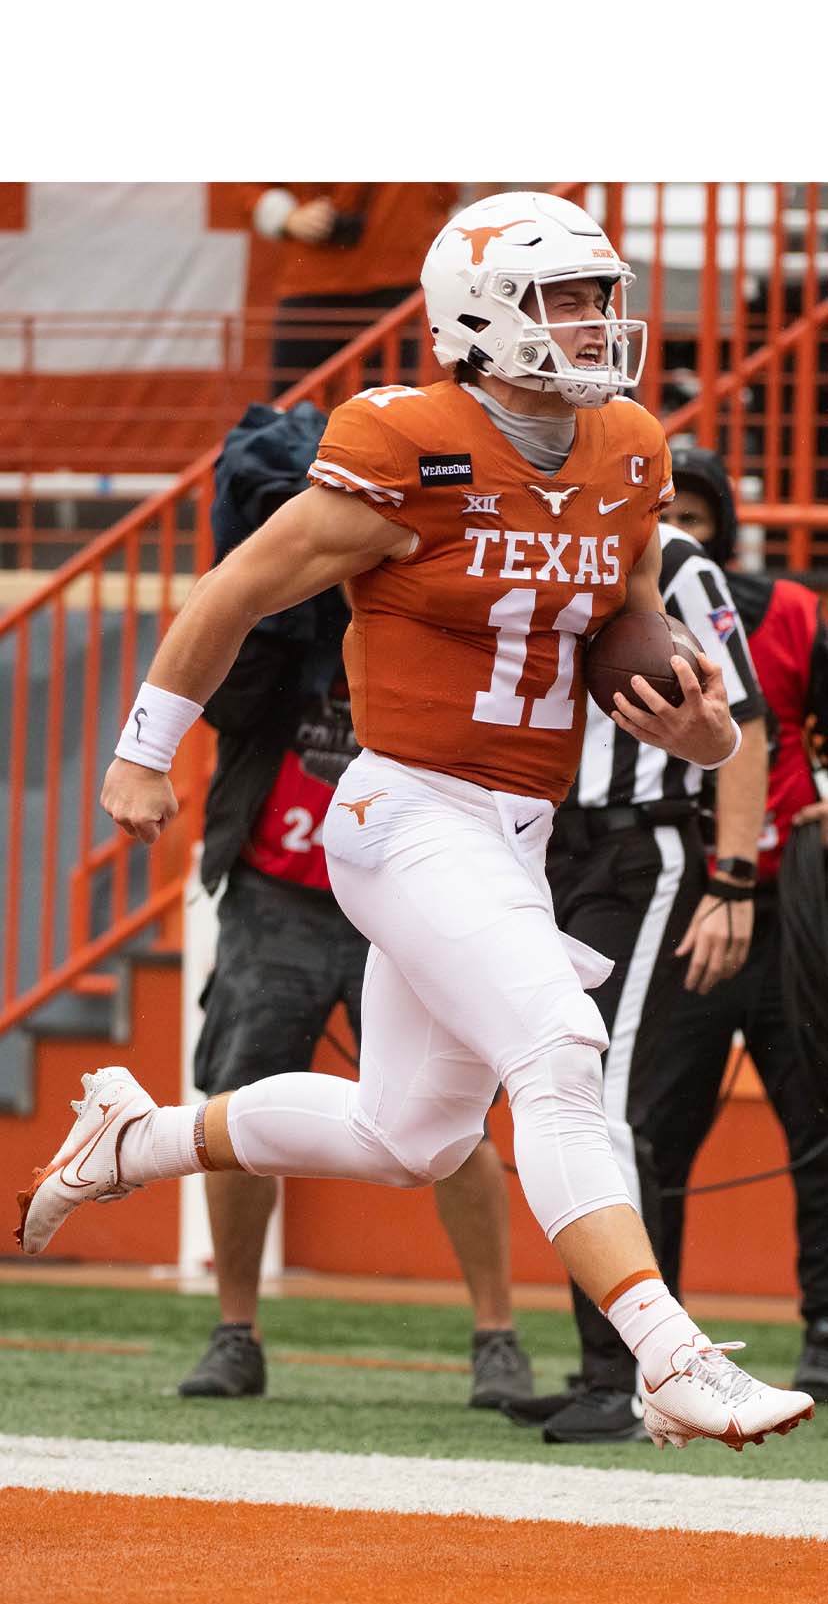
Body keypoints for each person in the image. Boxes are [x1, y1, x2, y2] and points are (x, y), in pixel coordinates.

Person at [17, 190, 815, 1454]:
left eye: (602, 293)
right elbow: (235, 588)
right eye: (564, 296)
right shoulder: (408, 445)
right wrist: (141, 752)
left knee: (408, 1134)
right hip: (403, 810)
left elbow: (632, 629)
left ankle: (141, 1135)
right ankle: (668, 1354)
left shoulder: (628, 452)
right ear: (481, 317)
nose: (598, 320)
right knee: (560, 1053)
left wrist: (705, 734)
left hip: (514, 831)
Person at [179, 398, 533, 1406]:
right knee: (243, 1092)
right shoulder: (281, 609)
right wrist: (287, 614)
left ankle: (496, 1335)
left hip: (418, 881)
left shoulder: (435, 591)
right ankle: (235, 1327)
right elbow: (228, 693)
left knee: (454, 1113)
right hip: (283, 884)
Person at [501, 493, 768, 1442]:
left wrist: (732, 879)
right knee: (559, 1095)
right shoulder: (530, 548)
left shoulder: (678, 562)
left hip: (640, 851)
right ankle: (610, 1365)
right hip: (545, 847)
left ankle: (635, 1374)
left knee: (605, 1106)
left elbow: (746, 717)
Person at [638, 446, 828, 1405]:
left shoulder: (792, 610)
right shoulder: (619, 610)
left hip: (786, 897)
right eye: (684, 517)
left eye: (707, 520)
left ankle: (826, 1335)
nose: (693, 535)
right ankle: (656, 1346)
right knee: (652, 1126)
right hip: (679, 895)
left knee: (817, 1123)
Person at [248, 184, 459, 394]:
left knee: (389, 412)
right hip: (314, 286)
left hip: (394, 287)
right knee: (293, 408)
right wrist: (289, 217)